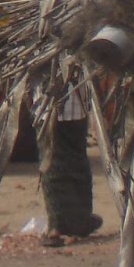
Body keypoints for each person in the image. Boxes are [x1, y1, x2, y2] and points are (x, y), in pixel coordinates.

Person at [37, 87, 101, 244]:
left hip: (46, 104)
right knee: (75, 159)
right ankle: (79, 221)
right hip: (75, 103)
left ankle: (56, 226)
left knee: (51, 160)